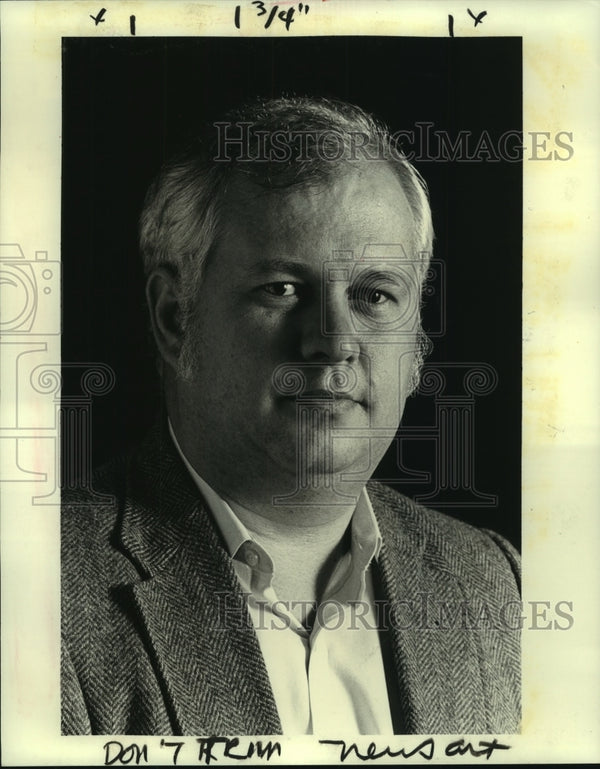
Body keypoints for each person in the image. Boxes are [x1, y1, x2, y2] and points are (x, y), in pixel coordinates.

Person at [61, 96, 520, 736]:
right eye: (282, 289)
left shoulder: (495, 585)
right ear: (174, 318)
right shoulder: (39, 596)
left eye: (373, 295)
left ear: (416, 333)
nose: (332, 341)